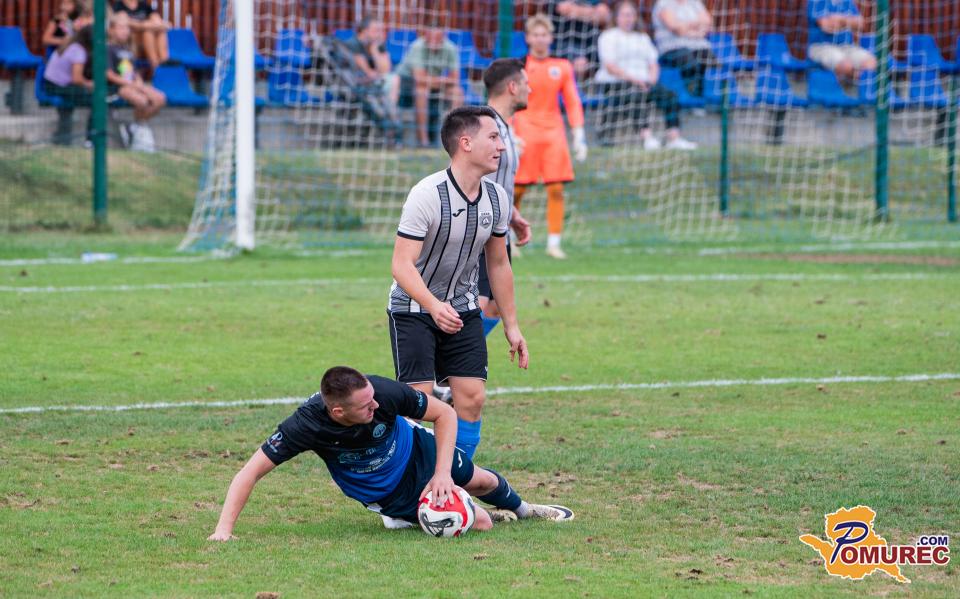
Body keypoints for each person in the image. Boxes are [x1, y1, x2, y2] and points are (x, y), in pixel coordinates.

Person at [207, 367, 573, 539]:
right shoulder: (305, 426)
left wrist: (441, 474)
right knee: (480, 523)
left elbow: (444, 412)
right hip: (384, 490)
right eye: (365, 406)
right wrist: (223, 531)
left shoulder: (380, 392)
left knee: (479, 478)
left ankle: (525, 511)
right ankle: (400, 516)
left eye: (373, 398)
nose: (376, 405)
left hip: (414, 449)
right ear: (338, 412)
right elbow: (249, 472)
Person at [389, 106, 528, 468]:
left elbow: (498, 263)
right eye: (493, 137)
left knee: (471, 396)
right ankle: (406, 487)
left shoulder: (497, 198)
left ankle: (455, 479)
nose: (501, 147)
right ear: (465, 143)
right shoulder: (427, 194)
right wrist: (434, 306)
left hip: (464, 308)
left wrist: (512, 326)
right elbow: (401, 265)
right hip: (413, 308)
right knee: (416, 403)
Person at [513, 14, 587, 260]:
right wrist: (510, 132)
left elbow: (573, 101)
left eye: (544, 34)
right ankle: (510, 239)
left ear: (551, 38)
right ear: (528, 38)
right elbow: (510, 101)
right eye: (535, 34)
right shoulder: (520, 66)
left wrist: (578, 133)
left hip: (553, 132)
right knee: (517, 189)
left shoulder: (562, 67)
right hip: (525, 129)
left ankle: (554, 243)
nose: (540, 39)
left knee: (556, 187)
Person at [596, 1, 697, 150]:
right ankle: (647, 137)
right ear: (616, 17)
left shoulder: (642, 37)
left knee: (670, 96)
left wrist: (652, 80)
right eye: (625, 15)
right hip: (616, 82)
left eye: (631, 15)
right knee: (636, 94)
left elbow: (653, 63)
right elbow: (610, 67)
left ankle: (673, 138)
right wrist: (636, 80)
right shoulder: (608, 36)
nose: (628, 19)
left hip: (644, 82)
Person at [395, 21, 464, 147]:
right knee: (422, 91)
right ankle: (424, 141)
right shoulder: (417, 47)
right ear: (425, 35)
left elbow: (455, 79)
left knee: (457, 93)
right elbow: (419, 78)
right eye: (431, 37)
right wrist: (442, 81)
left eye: (437, 38)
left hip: (434, 83)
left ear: (443, 36)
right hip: (407, 83)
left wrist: (434, 81)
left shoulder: (450, 48)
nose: (434, 41)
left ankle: (452, 138)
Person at [107, 12, 166, 152]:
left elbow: (132, 71)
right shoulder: (107, 49)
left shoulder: (128, 49)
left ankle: (135, 126)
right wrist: (131, 84)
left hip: (133, 84)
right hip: (118, 88)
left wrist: (138, 81)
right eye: (121, 28)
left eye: (127, 28)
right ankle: (138, 131)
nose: (125, 31)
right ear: (111, 30)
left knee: (160, 99)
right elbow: (108, 74)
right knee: (142, 101)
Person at [43, 24, 94, 145]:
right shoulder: (78, 51)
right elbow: (76, 79)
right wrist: (89, 84)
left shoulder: (71, 44)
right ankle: (91, 140)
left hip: (51, 84)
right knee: (96, 101)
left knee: (70, 102)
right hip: (57, 86)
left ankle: (61, 139)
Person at [652, 0, 714, 97]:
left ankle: (705, 97)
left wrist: (685, 26)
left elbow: (707, 22)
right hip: (672, 48)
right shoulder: (663, 3)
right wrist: (696, 27)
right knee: (688, 60)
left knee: (709, 58)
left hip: (697, 44)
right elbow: (675, 27)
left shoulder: (695, 2)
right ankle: (691, 96)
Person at [807, 0, 877, 80]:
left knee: (871, 63)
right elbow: (826, 26)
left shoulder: (847, 2)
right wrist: (848, 21)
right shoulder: (816, 2)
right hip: (820, 47)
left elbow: (861, 24)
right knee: (846, 65)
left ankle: (859, 81)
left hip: (846, 46)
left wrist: (841, 20)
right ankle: (855, 79)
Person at [545, 0, 611, 79]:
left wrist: (575, 11)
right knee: (577, 64)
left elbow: (603, 14)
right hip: (565, 40)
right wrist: (591, 12)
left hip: (590, 43)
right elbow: (562, 8)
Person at [344, 15, 400, 106]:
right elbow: (368, 72)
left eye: (381, 30)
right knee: (392, 80)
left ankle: (390, 111)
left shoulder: (377, 43)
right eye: (376, 30)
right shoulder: (353, 44)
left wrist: (374, 50)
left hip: (372, 81)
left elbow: (386, 70)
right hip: (354, 83)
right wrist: (377, 73)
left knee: (394, 79)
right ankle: (388, 112)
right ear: (365, 31)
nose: (380, 34)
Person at [112, 0, 170, 69]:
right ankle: (156, 66)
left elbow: (158, 22)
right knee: (147, 32)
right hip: (131, 41)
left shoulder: (143, 5)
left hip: (148, 42)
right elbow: (125, 22)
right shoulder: (119, 6)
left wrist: (145, 25)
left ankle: (164, 62)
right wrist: (145, 25)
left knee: (160, 32)